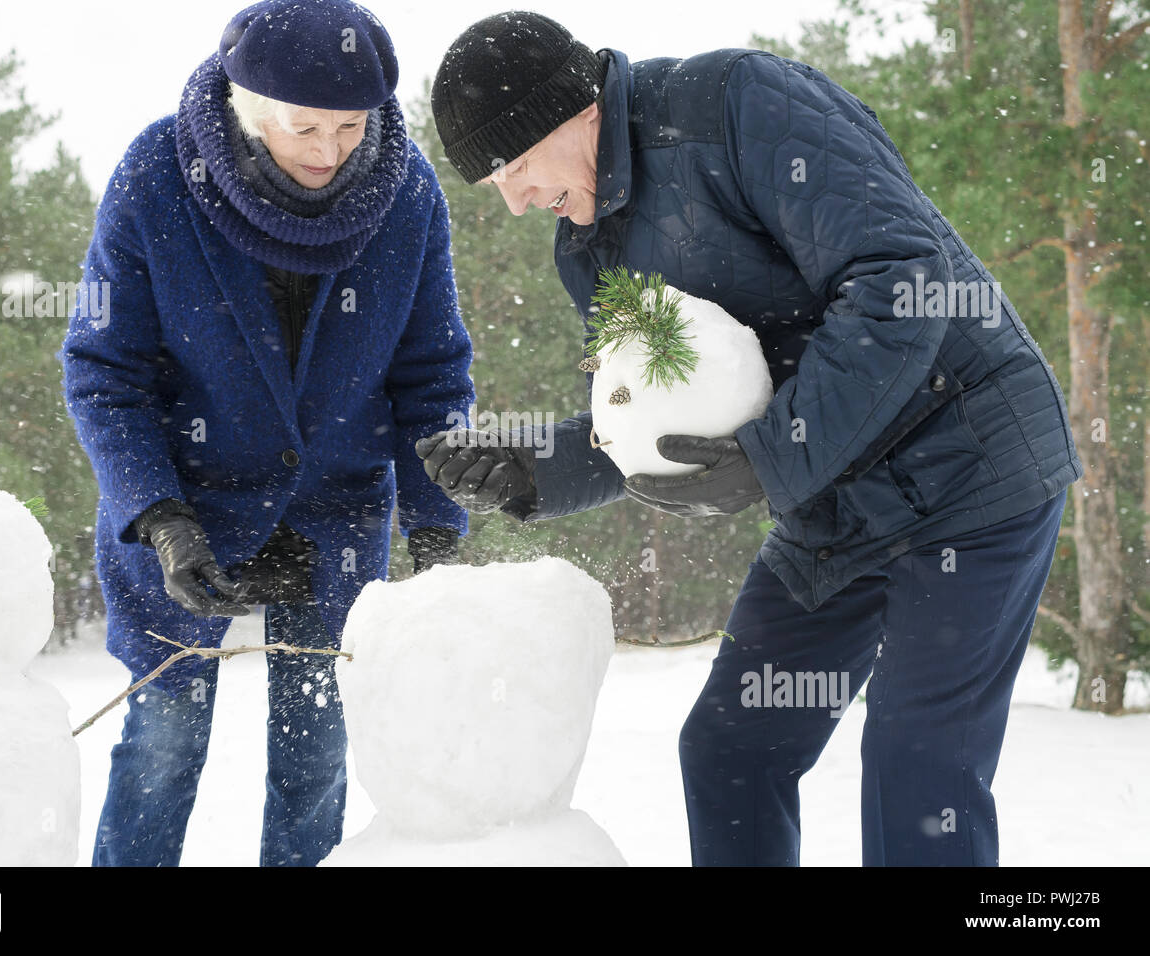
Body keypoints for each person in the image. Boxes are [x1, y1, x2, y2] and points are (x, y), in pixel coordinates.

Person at [420, 10, 1083, 866]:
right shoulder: (588, 252)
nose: (513, 200)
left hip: (967, 466)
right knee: (732, 750)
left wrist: (769, 456)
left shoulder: (735, 105)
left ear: (575, 110)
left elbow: (901, 279)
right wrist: (532, 471)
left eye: (514, 167)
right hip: (834, 514)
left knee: (918, 767)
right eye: (493, 186)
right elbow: (648, 420)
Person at [58, 0, 473, 866]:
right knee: (164, 744)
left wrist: (436, 528)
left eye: (352, 127)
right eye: (303, 127)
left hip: (337, 513)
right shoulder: (156, 176)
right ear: (249, 108)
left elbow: (429, 376)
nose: (328, 153)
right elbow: (104, 374)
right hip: (186, 505)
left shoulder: (409, 196)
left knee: (317, 754)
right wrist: (162, 518)